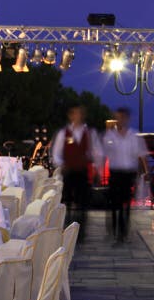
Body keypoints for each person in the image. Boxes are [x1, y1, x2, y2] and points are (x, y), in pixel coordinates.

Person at [51, 104, 103, 230]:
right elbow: (56, 153)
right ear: (70, 115)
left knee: (83, 201)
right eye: (75, 113)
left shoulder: (90, 133)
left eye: (80, 113)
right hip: (68, 171)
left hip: (83, 171)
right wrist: (61, 164)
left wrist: (97, 168)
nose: (78, 116)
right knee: (67, 201)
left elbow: (97, 152)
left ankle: (81, 229)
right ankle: (67, 227)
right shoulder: (64, 133)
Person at [103, 107, 148, 243]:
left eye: (123, 117)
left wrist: (146, 172)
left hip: (128, 174)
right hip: (115, 172)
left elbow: (142, 155)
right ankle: (115, 228)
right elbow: (103, 153)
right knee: (114, 202)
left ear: (127, 119)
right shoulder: (110, 136)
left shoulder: (134, 136)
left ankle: (123, 232)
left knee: (126, 203)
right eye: (118, 117)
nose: (120, 120)